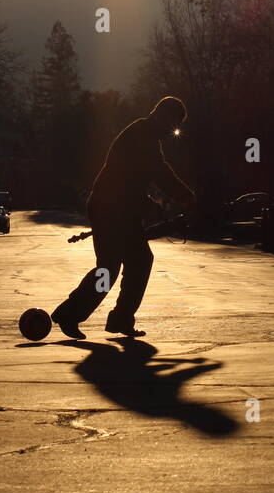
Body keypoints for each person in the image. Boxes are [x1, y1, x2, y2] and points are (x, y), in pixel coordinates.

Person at [51, 97, 195, 339]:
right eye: (173, 123)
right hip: (109, 208)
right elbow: (158, 173)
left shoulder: (146, 134)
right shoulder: (142, 136)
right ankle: (70, 314)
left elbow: (139, 178)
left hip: (120, 209)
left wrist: (151, 205)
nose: (172, 132)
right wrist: (186, 197)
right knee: (108, 269)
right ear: (163, 116)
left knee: (139, 261)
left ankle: (120, 319)